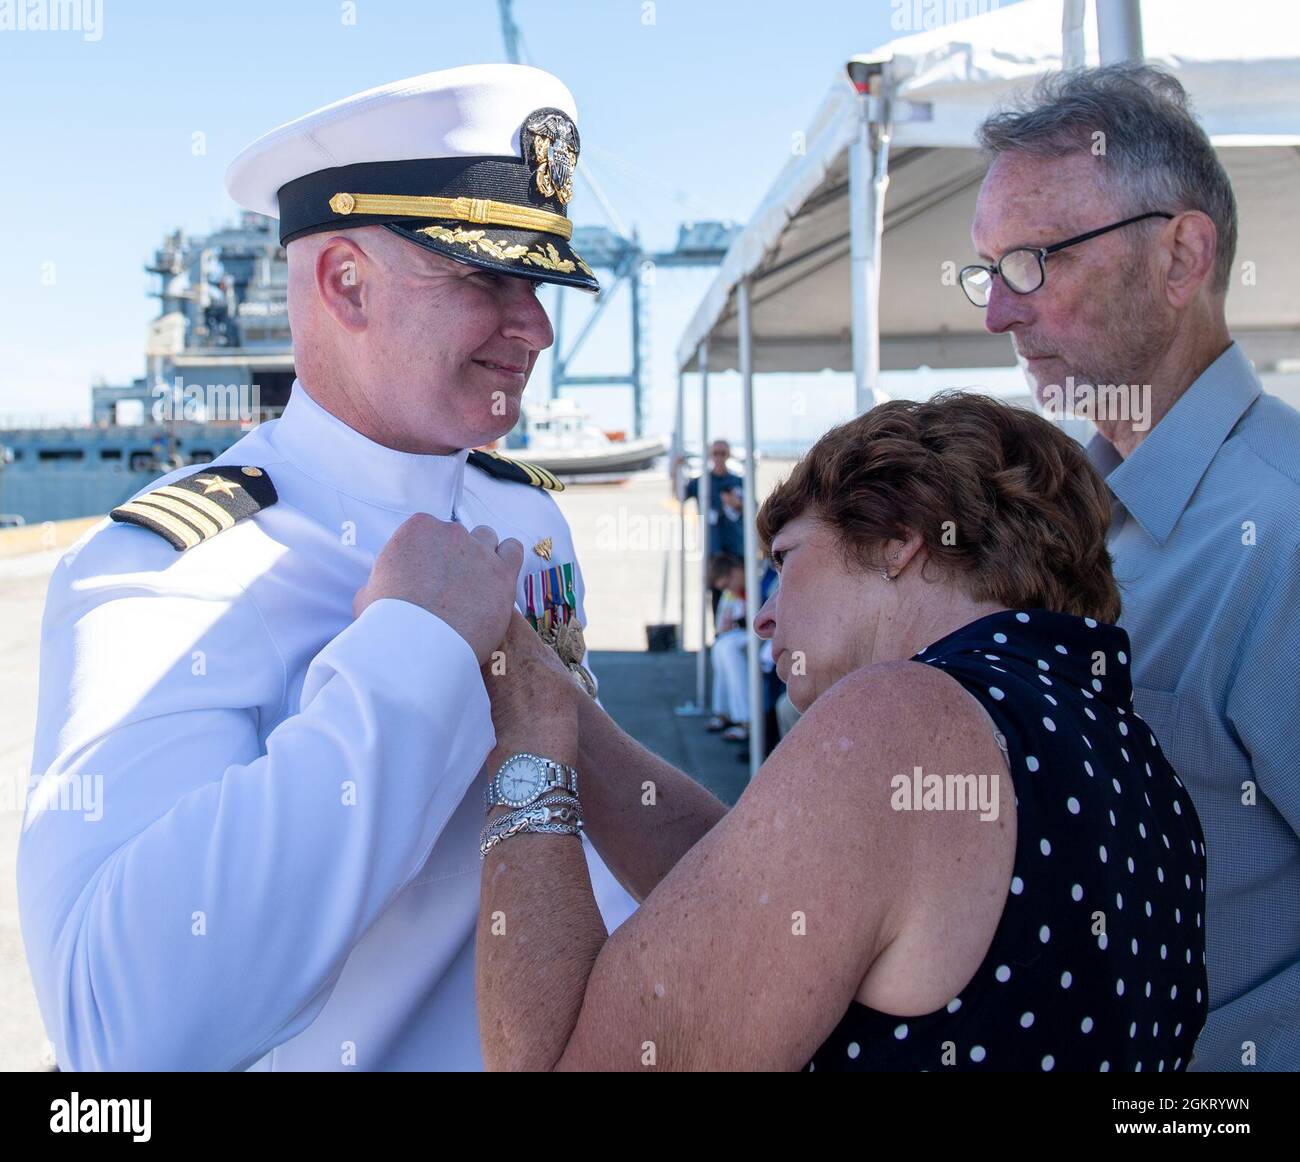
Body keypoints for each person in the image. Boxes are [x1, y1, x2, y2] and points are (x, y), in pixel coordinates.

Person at [17, 64, 635, 1071]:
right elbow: (118, 1026)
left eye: (540, 282)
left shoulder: (526, 513)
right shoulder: (170, 567)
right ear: (345, 282)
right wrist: (414, 651)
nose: (535, 329)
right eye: (487, 276)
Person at [471, 392, 1208, 1071]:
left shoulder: (903, 721)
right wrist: (567, 705)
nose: (763, 614)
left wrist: (530, 732)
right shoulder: (1134, 763)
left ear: (897, 540)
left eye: (785, 560)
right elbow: (757, 900)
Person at [968, 63, 1300, 1072]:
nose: (996, 313)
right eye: (985, 270)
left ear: (1181, 254)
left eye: (1032, 260)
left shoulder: (1281, 534)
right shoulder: (1076, 524)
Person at [675, 440, 744, 617]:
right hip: (713, 547)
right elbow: (680, 496)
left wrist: (736, 504)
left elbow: (753, 507)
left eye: (722, 453)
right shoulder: (701, 482)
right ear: (709, 456)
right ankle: (718, 632)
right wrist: (676, 471)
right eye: (715, 453)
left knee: (740, 591)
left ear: (728, 455)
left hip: (736, 546)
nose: (719, 457)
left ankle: (742, 627)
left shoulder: (738, 481)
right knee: (717, 590)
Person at [705, 553, 748, 741]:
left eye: (728, 581)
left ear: (736, 571)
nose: (728, 587)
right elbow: (722, 625)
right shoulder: (731, 592)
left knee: (728, 649)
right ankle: (725, 712)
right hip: (741, 636)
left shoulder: (756, 580)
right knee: (720, 647)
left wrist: (737, 622)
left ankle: (746, 721)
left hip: (764, 637)